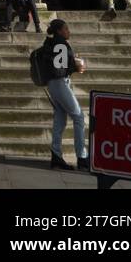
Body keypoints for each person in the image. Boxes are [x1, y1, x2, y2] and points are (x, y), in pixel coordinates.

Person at [37, 19, 90, 170]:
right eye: (66, 29)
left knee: (60, 118)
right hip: (59, 83)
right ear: (59, 31)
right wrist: (76, 67)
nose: (69, 31)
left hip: (54, 84)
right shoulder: (60, 43)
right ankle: (82, 157)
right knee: (79, 117)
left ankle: (56, 155)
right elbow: (59, 69)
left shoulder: (52, 42)